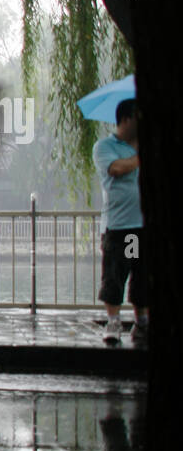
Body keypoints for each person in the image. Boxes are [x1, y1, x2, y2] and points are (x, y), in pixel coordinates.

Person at [92, 98, 146, 344]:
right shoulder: (105, 146)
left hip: (141, 226)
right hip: (119, 226)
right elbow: (116, 168)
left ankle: (142, 321)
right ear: (126, 119)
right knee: (115, 273)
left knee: (142, 273)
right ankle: (113, 322)